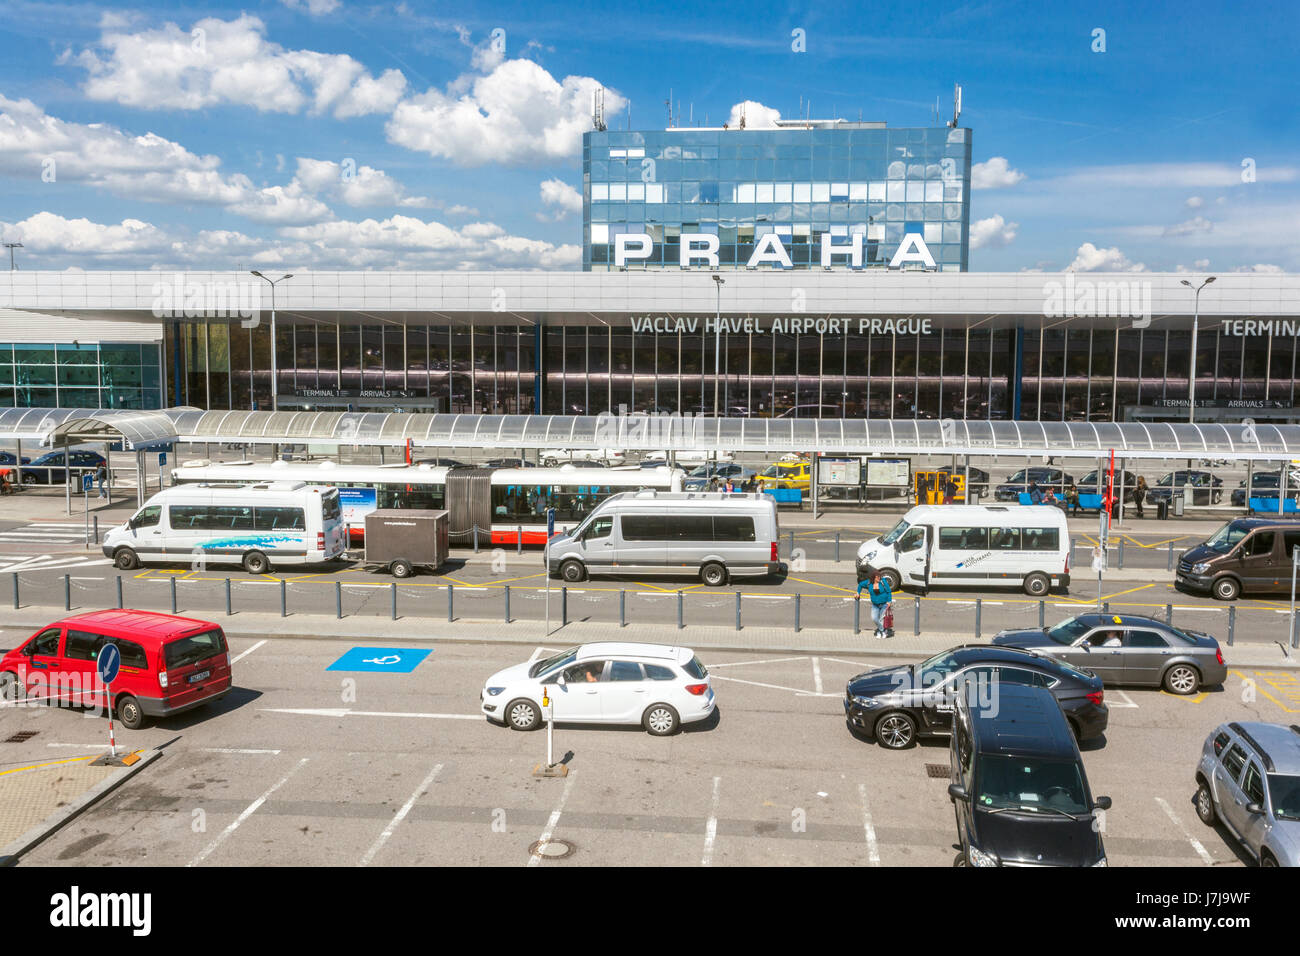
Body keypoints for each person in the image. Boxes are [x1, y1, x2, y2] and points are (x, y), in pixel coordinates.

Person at [856, 568, 893, 639]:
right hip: (875, 604)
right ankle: (882, 631)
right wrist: (858, 592)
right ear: (873, 578)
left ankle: (880, 632)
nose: (879, 578)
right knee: (874, 618)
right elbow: (860, 585)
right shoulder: (868, 583)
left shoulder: (883, 582)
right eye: (877, 577)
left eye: (879, 576)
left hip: (884, 604)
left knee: (881, 619)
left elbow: (889, 591)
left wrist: (889, 601)